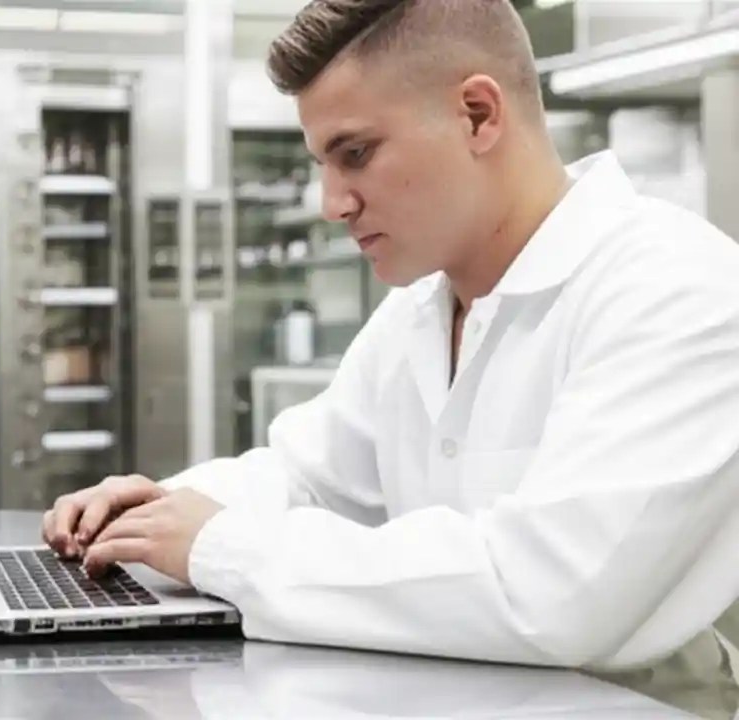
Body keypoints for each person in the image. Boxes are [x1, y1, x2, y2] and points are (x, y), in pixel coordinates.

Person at [41, 0, 739, 672]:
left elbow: (549, 594)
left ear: (478, 115)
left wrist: (221, 547)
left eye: (356, 153)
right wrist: (154, 510)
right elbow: (307, 476)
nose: (332, 204)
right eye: (323, 162)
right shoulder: (420, 313)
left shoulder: (673, 289)